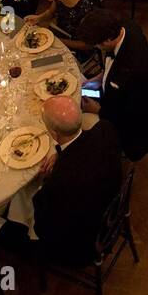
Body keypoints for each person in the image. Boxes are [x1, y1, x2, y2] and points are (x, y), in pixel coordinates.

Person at [22, 98, 123, 266]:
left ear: (54, 135)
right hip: (110, 206)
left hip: (83, 247)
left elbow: (42, 227)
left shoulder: (58, 182)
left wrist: (41, 183)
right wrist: (61, 154)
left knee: (23, 205)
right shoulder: (106, 129)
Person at [78, 10, 148, 162]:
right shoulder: (125, 26)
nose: (97, 48)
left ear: (108, 40)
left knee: (81, 136)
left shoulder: (134, 70)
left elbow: (131, 115)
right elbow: (113, 67)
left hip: (133, 127)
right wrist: (100, 77)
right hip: (116, 96)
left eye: (97, 45)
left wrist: (98, 110)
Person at [25, 0, 100, 59]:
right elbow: (51, 12)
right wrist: (39, 18)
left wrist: (58, 41)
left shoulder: (83, 10)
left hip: (77, 49)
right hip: (60, 36)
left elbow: (87, 45)